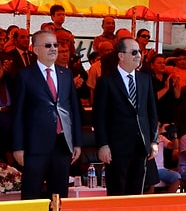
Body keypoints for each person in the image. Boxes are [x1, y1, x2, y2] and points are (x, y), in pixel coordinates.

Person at [11, 30, 83, 199]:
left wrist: (77, 142)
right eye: (48, 45)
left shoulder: (66, 74)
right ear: (35, 49)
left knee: (59, 196)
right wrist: (17, 146)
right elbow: (18, 113)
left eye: (55, 45)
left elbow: (73, 109)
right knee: (32, 194)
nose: (53, 49)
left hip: (62, 144)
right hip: (35, 146)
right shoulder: (25, 75)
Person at [93, 37, 159, 196]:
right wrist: (103, 144)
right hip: (117, 147)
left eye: (140, 52)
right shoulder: (106, 82)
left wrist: (154, 140)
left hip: (140, 145)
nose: (139, 55)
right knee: (117, 192)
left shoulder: (145, 79)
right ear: (121, 55)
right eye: (134, 52)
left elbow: (151, 111)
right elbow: (99, 116)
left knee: (136, 192)